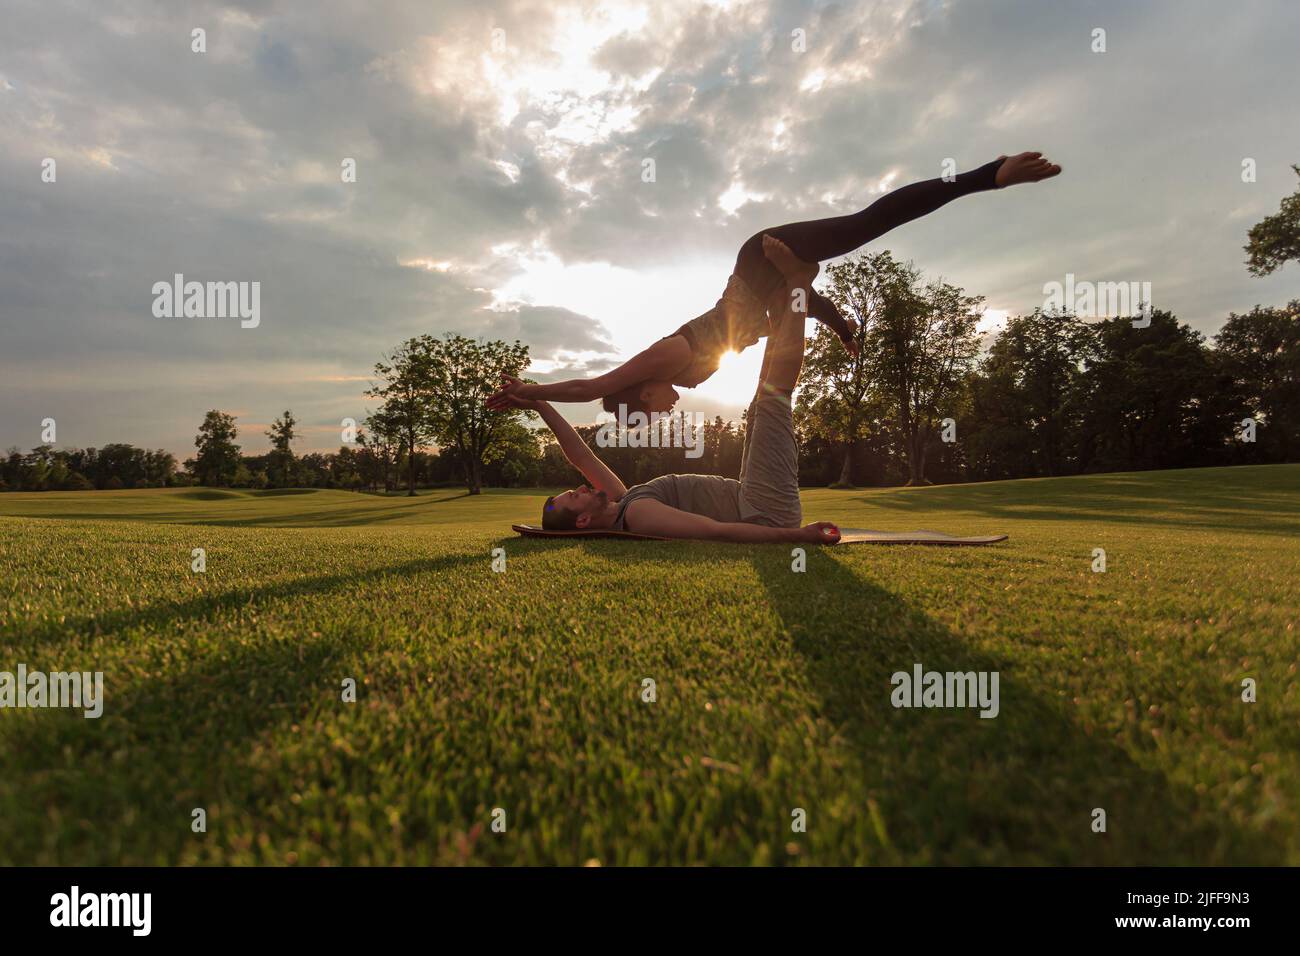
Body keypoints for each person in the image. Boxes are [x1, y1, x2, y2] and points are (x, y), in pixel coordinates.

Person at [487, 151, 1062, 417]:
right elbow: (789, 306)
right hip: (766, 291)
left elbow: (591, 388)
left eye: (651, 412)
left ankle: (989, 174)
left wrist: (528, 391)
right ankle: (985, 177)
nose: (663, 413)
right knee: (829, 267)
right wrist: (839, 326)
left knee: (865, 225)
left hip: (756, 264)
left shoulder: (668, 356)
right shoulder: (688, 374)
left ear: (641, 392)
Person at [496, 274, 841, 544]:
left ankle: (786, 308)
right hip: (763, 511)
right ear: (583, 520)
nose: (582, 487)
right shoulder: (639, 514)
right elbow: (715, 532)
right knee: (773, 397)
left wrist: (539, 403)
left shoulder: (625, 500)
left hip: (752, 497)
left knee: (763, 400)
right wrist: (797, 536)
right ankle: (796, 284)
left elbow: (580, 457)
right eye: (575, 495)